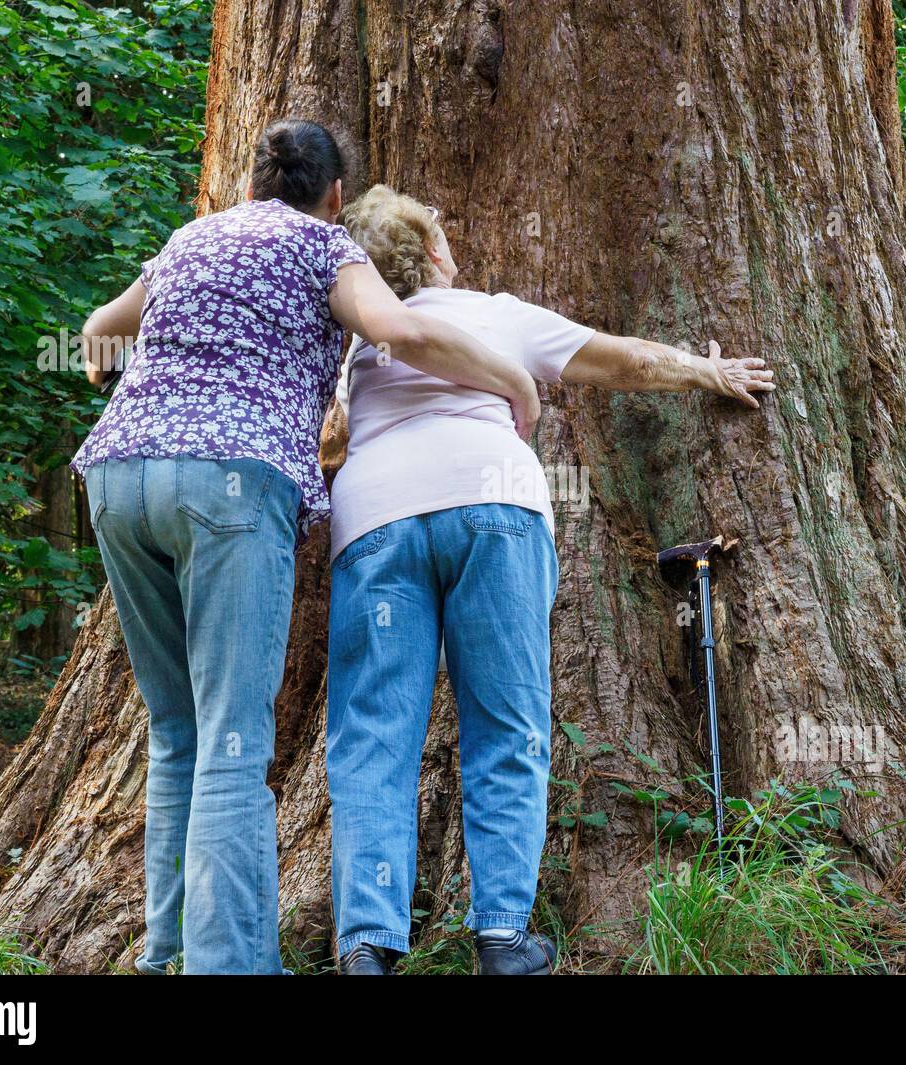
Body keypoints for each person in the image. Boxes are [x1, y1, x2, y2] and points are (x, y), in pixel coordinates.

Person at [71, 125, 540, 975]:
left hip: (115, 476)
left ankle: (162, 953)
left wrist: (155, 380)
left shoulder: (191, 238)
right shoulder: (327, 247)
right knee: (231, 736)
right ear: (333, 197)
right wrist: (512, 378)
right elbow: (399, 330)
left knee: (176, 728)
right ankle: (228, 970)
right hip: (229, 486)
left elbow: (98, 337)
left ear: (252, 186)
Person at [325, 184, 774, 975]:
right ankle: (501, 935)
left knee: (373, 739)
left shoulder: (358, 343)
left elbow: (330, 437)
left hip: (375, 520)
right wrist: (708, 372)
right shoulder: (495, 315)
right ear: (432, 253)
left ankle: (368, 945)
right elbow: (624, 360)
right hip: (493, 503)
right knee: (507, 722)